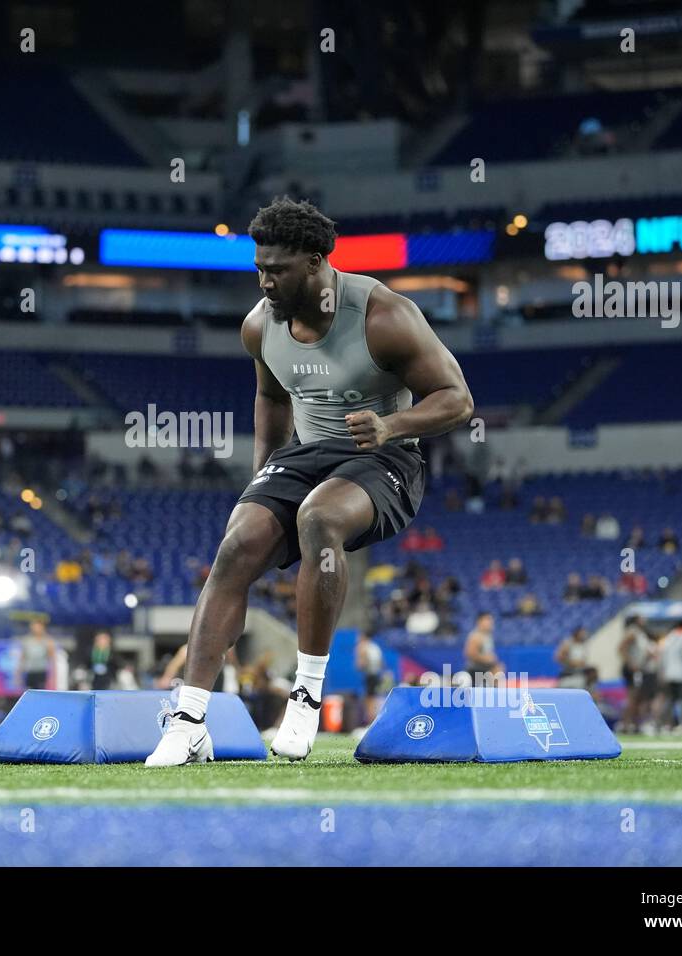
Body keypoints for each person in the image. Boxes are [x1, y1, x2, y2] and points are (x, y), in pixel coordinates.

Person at [147, 197, 472, 766]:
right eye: (259, 269)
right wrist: (261, 487)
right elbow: (270, 398)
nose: (265, 281)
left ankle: (305, 697)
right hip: (305, 455)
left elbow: (458, 401)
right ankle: (188, 719)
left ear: (318, 262)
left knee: (319, 517)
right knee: (237, 544)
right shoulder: (258, 327)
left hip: (385, 459)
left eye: (277, 270)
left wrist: (391, 424)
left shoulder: (383, 315)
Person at [657, 621, 682, 731]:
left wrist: (663, 672)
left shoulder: (668, 638)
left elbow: (662, 656)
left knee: (671, 700)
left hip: (669, 673)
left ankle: (665, 723)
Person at [355, 630, 385, 725]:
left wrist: (360, 661)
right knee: (374, 697)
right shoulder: (375, 647)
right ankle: (373, 720)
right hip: (377, 674)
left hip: (370, 675)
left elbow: (361, 664)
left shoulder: (363, 646)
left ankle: (370, 721)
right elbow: (382, 663)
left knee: (369, 699)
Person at [463, 612, 503, 682]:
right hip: (475, 670)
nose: (490, 622)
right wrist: (487, 659)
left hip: (485, 668)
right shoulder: (476, 636)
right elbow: (470, 654)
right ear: (480, 622)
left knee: (499, 669)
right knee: (497, 671)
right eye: (487, 620)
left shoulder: (488, 636)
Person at [19, 620, 56, 691]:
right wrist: (19, 673)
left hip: (41, 671)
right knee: (29, 693)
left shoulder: (48, 641)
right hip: (30, 671)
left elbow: (52, 659)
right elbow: (23, 657)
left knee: (41, 693)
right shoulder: (27, 641)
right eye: (34, 627)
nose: (36, 629)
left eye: (38, 627)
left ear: (42, 628)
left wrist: (53, 675)